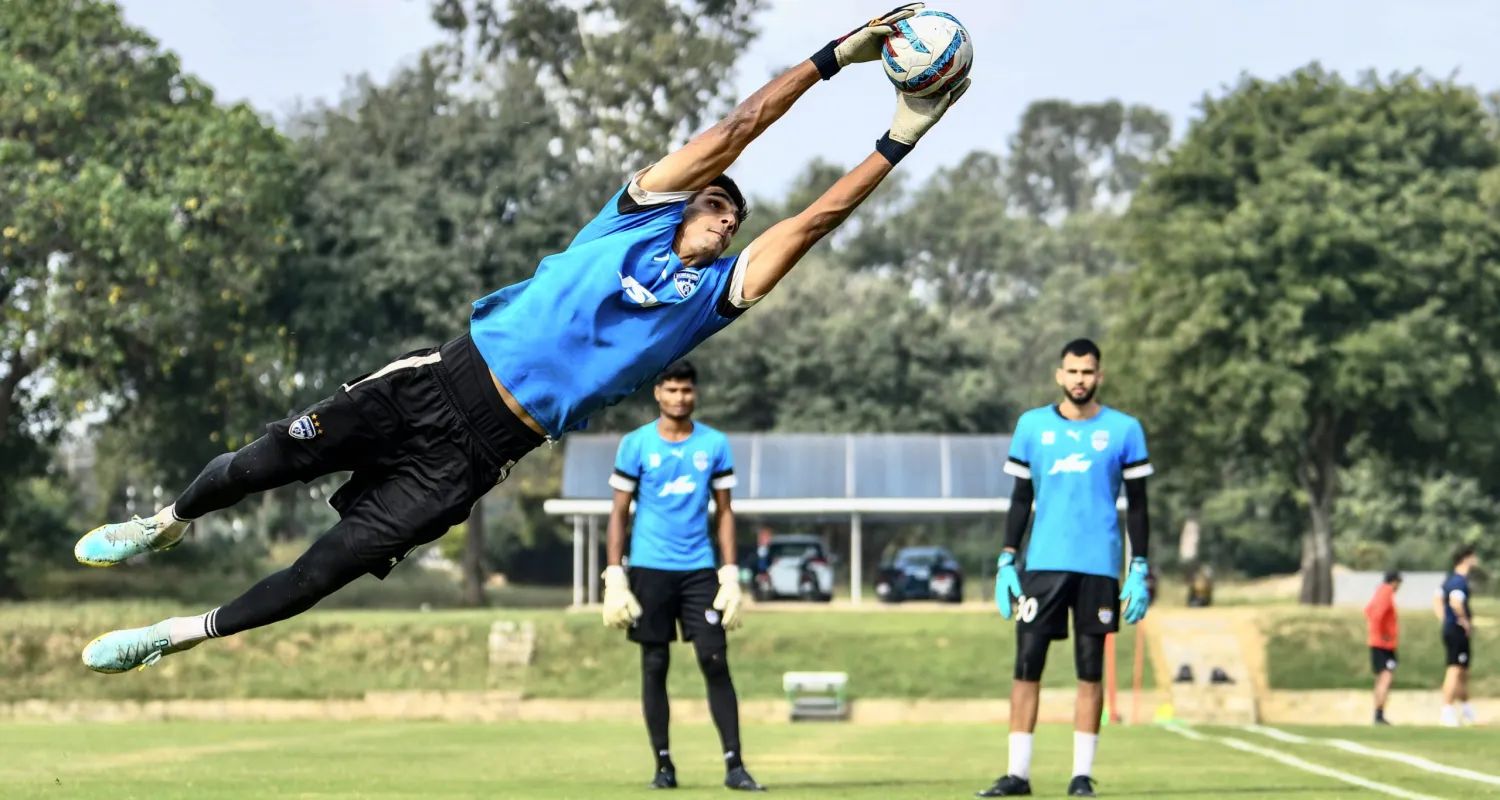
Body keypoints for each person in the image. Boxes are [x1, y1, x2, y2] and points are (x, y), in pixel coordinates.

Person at [72, 2, 970, 675]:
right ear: (686, 197)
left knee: (326, 569)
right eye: (714, 198)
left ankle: (175, 636)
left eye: (734, 216)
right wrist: (837, 56)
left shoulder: (710, 299)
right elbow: (738, 127)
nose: (723, 213)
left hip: (480, 451)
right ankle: (164, 524)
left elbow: (812, 223)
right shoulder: (635, 217)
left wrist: (903, 133)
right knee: (261, 460)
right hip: (432, 384)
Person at [982, 338, 1153, 799]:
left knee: (1089, 670)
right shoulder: (1032, 426)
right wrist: (1006, 558)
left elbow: (1138, 507)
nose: (1080, 379)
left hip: (1098, 565)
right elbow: (1020, 500)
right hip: (1043, 565)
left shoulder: (1125, 430)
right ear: (1060, 375)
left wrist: (1139, 566)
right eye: (1073, 371)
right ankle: (1017, 775)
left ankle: (1081, 776)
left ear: (1100, 376)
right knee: (1026, 666)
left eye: (1088, 371)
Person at [603, 361, 757, 790]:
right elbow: (618, 514)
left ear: (694, 394)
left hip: (699, 571)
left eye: (686, 391)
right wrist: (614, 574)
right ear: (658, 393)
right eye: (671, 390)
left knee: (715, 660)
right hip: (649, 569)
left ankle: (735, 766)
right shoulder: (635, 445)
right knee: (654, 664)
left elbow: (725, 512)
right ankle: (664, 767)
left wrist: (730, 573)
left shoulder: (715, 444)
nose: (679, 398)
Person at [1436, 546, 1479, 727]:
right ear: (1466, 558)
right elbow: (1455, 601)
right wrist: (1463, 621)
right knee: (1454, 668)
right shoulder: (1459, 581)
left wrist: (1443, 619)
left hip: (1451, 628)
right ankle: (1447, 710)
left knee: (1462, 670)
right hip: (1457, 630)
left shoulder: (1448, 579)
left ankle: (1466, 708)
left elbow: (1437, 599)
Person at [1364, 570, 1401, 725]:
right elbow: (1378, 614)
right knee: (1386, 678)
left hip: (1377, 642)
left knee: (1381, 678)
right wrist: (1383, 633)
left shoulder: (1379, 592)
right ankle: (1379, 714)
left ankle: (1378, 713)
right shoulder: (1386, 593)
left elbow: (1368, 610)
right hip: (1384, 644)